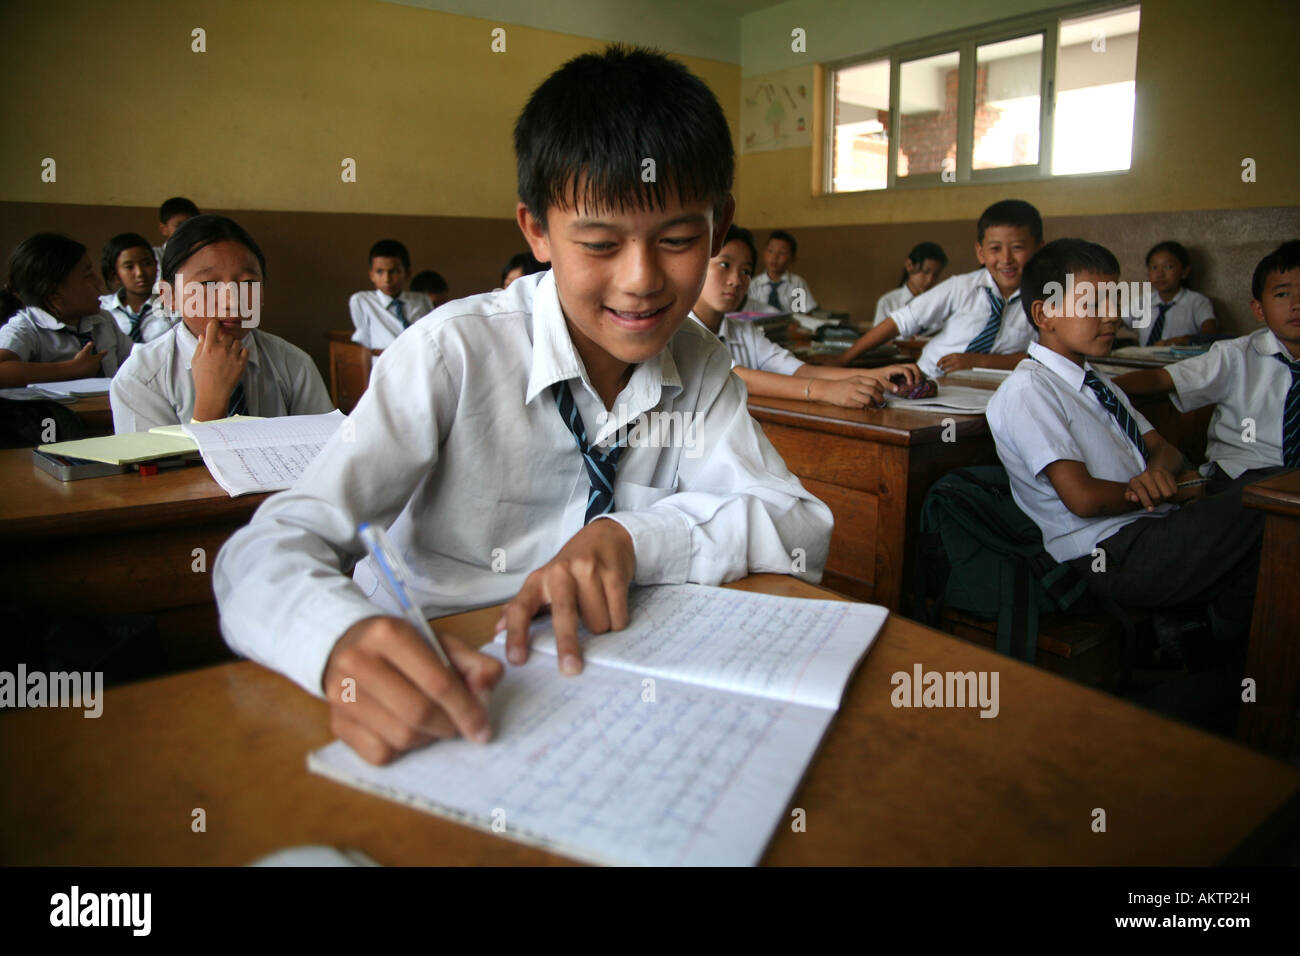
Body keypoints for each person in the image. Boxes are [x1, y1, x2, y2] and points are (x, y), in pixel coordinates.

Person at [213, 44, 833, 766]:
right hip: (451, 691)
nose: (641, 281)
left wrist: (635, 538)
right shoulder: (452, 355)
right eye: (599, 243)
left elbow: (800, 527)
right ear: (536, 230)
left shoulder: (698, 364)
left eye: (678, 240)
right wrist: (336, 642)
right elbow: (263, 551)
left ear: (720, 226)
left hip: (625, 696)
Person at [110, 215, 333, 432]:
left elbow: (326, 455)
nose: (233, 301)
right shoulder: (140, 378)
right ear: (169, 297)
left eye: (248, 283)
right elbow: (155, 469)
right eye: (208, 283)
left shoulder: (293, 365)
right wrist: (210, 402)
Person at [692, 225, 921, 408]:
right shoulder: (681, 330)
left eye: (746, 271)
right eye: (724, 264)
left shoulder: (741, 330)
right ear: (698, 263)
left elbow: (798, 369)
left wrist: (872, 375)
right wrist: (822, 390)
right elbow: (737, 376)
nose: (736, 280)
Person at [826, 199, 1043, 376]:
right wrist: (843, 359)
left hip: (991, 391)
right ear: (980, 252)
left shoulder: (1046, 301)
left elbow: (1042, 358)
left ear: (1039, 249)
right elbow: (900, 321)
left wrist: (980, 361)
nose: (1006, 259)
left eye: (1017, 248)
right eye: (995, 248)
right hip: (930, 378)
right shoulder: (961, 287)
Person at [348, 240, 434, 349]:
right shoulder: (362, 301)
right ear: (371, 275)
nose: (387, 279)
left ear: (407, 274)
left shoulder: (421, 301)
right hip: (383, 361)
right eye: (379, 272)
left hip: (417, 360)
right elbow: (364, 341)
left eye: (394, 272)